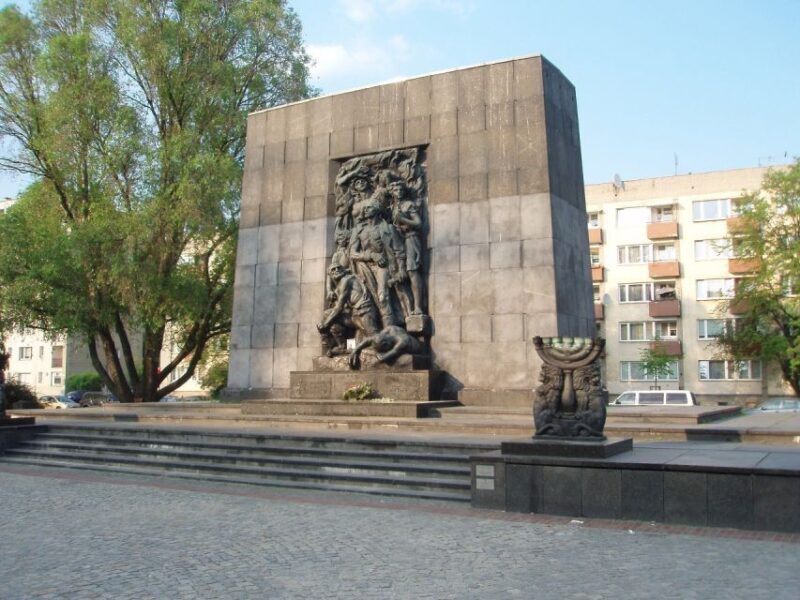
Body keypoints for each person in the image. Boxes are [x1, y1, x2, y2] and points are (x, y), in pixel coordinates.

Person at [348, 325, 423, 369]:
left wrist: (375, 355)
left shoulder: (402, 342)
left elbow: (382, 358)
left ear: (386, 344)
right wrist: (355, 351)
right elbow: (370, 340)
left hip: (416, 348)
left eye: (383, 350)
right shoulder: (390, 329)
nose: (382, 351)